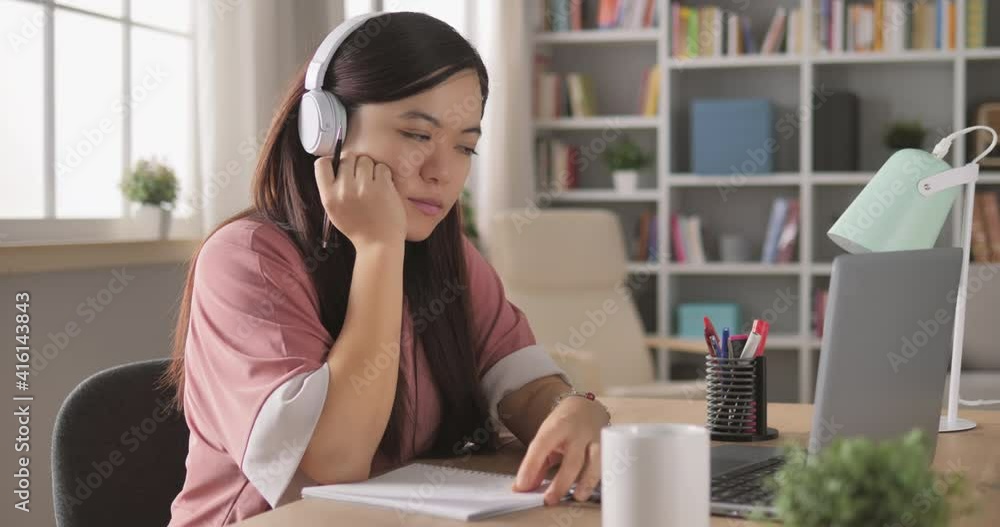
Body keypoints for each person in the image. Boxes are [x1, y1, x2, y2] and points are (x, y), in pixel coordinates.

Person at [164, 12, 610, 526]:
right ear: (325, 130)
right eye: (417, 135)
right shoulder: (246, 262)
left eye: (465, 146)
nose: (443, 171)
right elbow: (332, 467)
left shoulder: (449, 258)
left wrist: (572, 408)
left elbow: (524, 384)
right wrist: (378, 249)